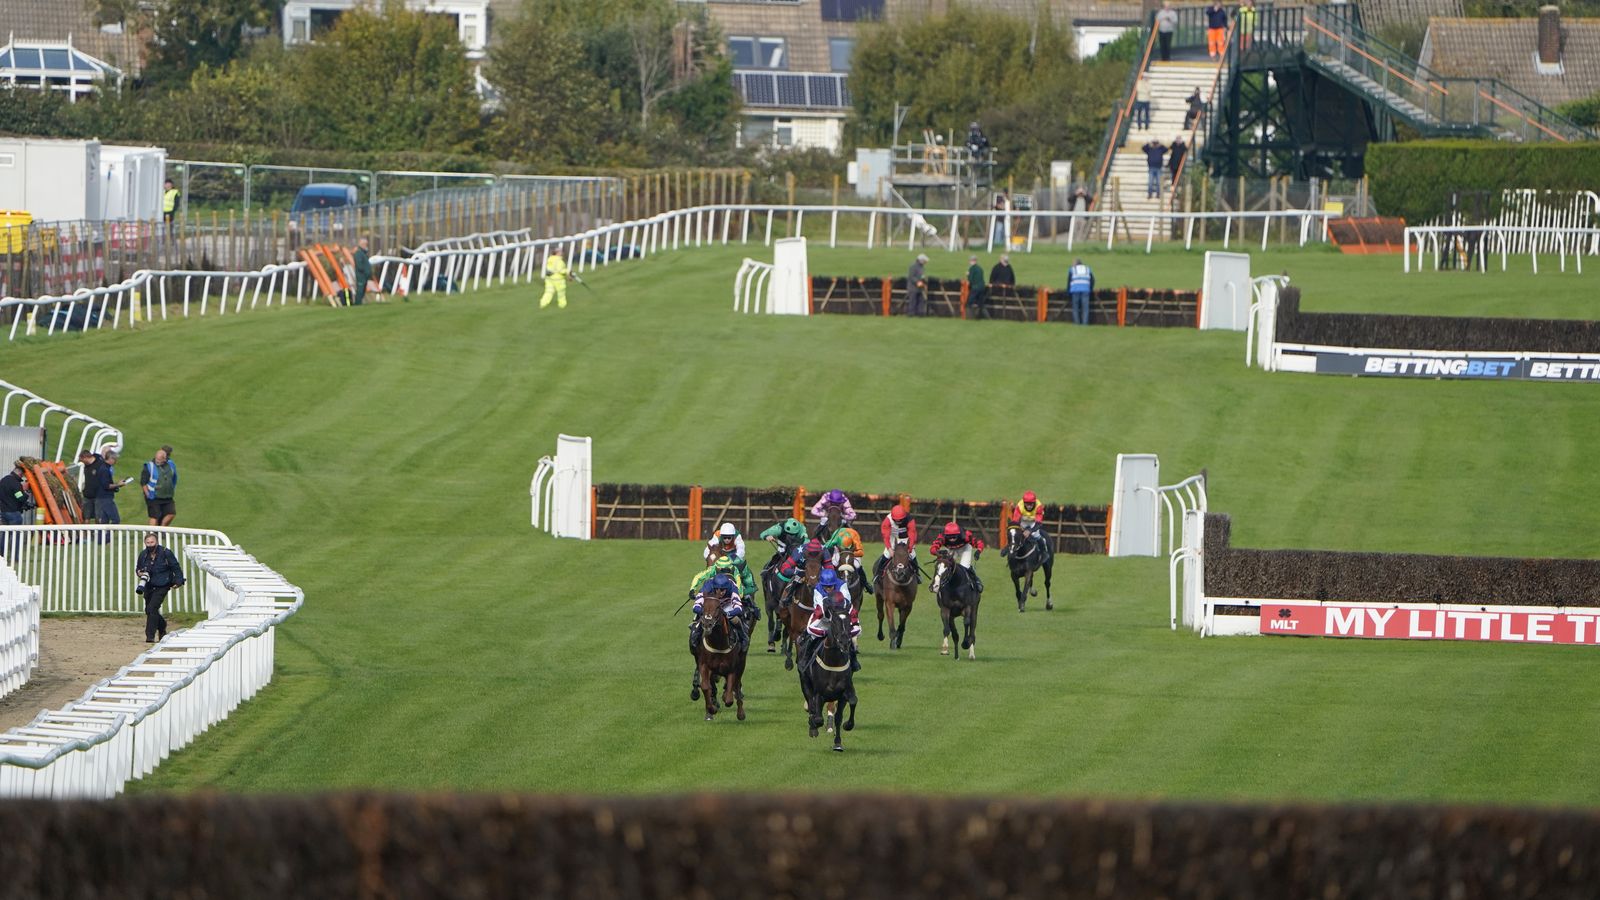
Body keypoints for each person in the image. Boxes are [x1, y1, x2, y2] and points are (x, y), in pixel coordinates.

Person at [687, 571, 746, 685]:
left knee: (736, 620)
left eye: (723, 590)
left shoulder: (732, 587)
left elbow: (738, 607)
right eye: (718, 590)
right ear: (714, 587)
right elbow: (696, 606)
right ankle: (694, 640)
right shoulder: (707, 586)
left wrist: (728, 614)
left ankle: (743, 638)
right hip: (710, 608)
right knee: (697, 624)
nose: (721, 592)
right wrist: (704, 613)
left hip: (726, 607)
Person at [800, 568, 860, 672]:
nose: (828, 588)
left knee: (850, 639)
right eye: (826, 587)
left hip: (840, 616)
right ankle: (805, 658)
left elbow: (846, 601)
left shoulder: (842, 586)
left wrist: (847, 632)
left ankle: (854, 660)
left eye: (831, 586)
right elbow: (812, 626)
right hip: (824, 619)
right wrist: (826, 632)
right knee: (812, 636)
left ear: (835, 583)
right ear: (822, 585)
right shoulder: (817, 589)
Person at [136, 532, 185, 642]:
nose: (150, 544)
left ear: (157, 542)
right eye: (147, 543)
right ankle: (162, 626)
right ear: (145, 543)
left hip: (163, 585)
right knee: (148, 610)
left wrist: (179, 581)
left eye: (152, 542)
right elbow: (138, 568)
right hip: (148, 585)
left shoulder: (166, 553)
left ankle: (150, 636)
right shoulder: (143, 554)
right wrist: (139, 573)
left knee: (152, 608)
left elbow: (176, 567)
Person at [928, 521, 985, 594]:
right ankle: (937, 584)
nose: (952, 539)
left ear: (958, 534)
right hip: (950, 549)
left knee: (964, 568)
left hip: (965, 548)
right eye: (949, 537)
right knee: (944, 567)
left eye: (954, 537)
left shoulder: (966, 535)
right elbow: (932, 549)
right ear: (945, 535)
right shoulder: (942, 537)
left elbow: (979, 543)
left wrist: (979, 551)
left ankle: (976, 581)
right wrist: (938, 554)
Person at [873, 504, 920, 588]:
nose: (898, 522)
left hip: (905, 538)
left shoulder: (910, 520)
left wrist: (910, 548)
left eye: (900, 520)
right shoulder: (887, 520)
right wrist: (889, 548)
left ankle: (917, 574)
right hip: (892, 538)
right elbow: (886, 536)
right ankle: (878, 574)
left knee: (912, 555)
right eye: (896, 520)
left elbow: (912, 535)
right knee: (886, 555)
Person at [823, 523, 870, 594]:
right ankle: (828, 583)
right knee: (834, 563)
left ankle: (865, 584)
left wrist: (850, 554)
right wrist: (827, 545)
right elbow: (827, 545)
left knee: (858, 566)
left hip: (852, 553)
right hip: (839, 551)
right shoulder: (837, 534)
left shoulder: (854, 535)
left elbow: (861, 552)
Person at [86, 447, 127, 524]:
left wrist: (118, 485)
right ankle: (108, 535)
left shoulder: (104, 468)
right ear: (110, 459)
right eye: (114, 459)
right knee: (116, 520)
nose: (116, 461)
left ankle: (102, 536)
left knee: (104, 522)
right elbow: (106, 486)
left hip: (103, 498)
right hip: (105, 498)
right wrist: (118, 484)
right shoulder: (105, 469)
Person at [141, 445, 179, 526]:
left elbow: (174, 478)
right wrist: (147, 494)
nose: (157, 461)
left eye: (160, 460)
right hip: (153, 496)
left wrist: (171, 488)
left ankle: (161, 530)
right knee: (154, 516)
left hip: (167, 496)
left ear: (165, 459)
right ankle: (151, 535)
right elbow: (143, 482)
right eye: (157, 459)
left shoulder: (171, 465)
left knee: (171, 513)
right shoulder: (149, 466)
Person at [1068, 258, 1095, 326]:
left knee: (1075, 308)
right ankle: (1085, 323)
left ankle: (1076, 323)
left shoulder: (1072, 269)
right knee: (1085, 308)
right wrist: (1090, 289)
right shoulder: (1088, 269)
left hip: (1075, 289)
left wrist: (1068, 291)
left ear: (1076, 264)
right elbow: (1092, 280)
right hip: (1086, 289)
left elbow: (1069, 281)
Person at [966, 255, 989, 320]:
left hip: (975, 288)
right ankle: (986, 317)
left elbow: (970, 280)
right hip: (982, 287)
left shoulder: (972, 268)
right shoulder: (980, 268)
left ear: (971, 261)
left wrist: (968, 275)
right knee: (980, 303)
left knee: (969, 302)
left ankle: (970, 317)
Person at [351, 237, 373, 306]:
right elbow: (359, 265)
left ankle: (359, 303)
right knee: (360, 290)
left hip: (365, 275)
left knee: (363, 290)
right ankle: (357, 303)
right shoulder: (358, 253)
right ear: (361, 244)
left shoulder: (364, 253)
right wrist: (365, 271)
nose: (366, 246)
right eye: (365, 244)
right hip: (361, 275)